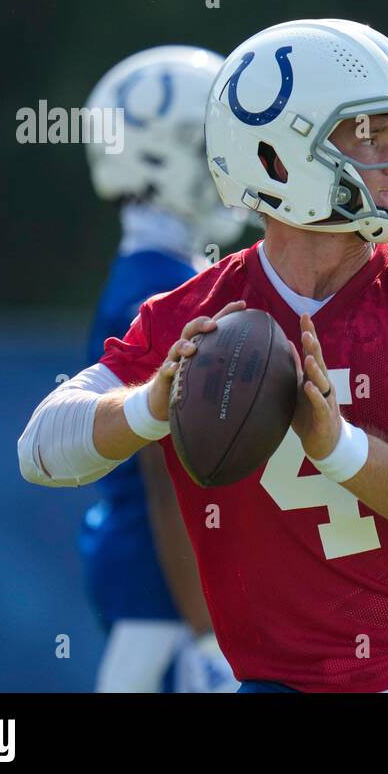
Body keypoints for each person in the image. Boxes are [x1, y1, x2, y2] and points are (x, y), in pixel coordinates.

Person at [20, 19, 388, 692]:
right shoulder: (194, 315)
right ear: (276, 161)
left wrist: (337, 444)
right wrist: (152, 404)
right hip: (288, 677)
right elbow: (39, 451)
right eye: (370, 136)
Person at [79, 45, 248, 693]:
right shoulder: (162, 295)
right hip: (167, 600)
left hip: (155, 590)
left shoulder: (155, 277)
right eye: (214, 147)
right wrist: (209, 632)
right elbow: (169, 479)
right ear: (165, 155)